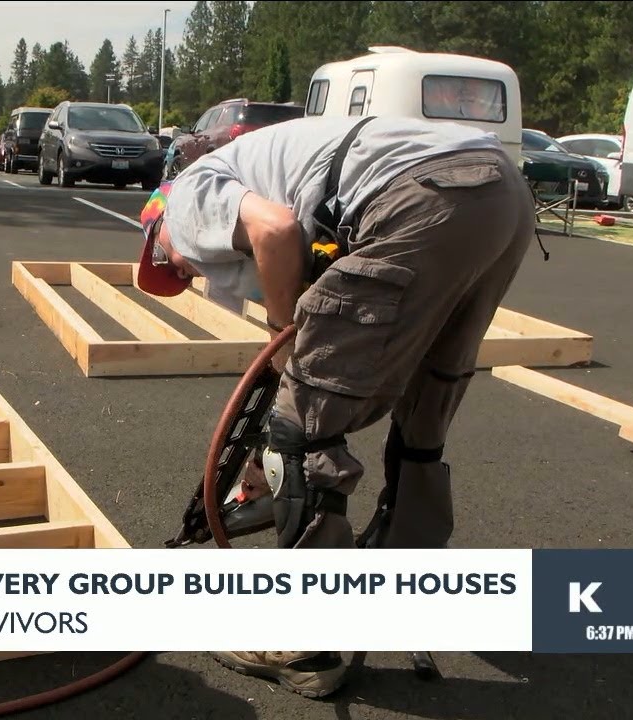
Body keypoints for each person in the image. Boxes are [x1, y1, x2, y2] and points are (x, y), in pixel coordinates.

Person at [135, 115, 538, 697]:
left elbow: (273, 233)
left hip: (420, 195)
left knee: (302, 433)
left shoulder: (185, 198)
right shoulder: (262, 164)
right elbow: (291, 246)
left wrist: (286, 337)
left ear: (156, 228)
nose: (185, 272)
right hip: (498, 190)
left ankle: (305, 646)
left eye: (173, 265)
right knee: (427, 402)